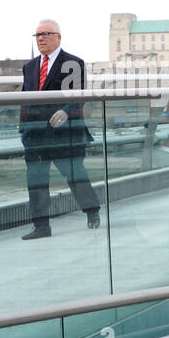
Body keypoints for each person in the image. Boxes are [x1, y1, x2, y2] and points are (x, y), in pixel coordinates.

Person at [19, 19, 101, 240]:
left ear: (58, 37)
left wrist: (66, 111)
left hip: (64, 134)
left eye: (45, 34)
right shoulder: (29, 67)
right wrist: (22, 129)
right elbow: (24, 99)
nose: (41, 38)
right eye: (37, 35)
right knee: (36, 181)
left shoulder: (73, 63)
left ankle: (92, 212)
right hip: (36, 134)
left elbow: (79, 94)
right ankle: (41, 226)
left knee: (75, 175)